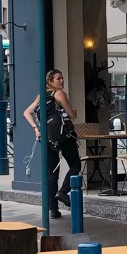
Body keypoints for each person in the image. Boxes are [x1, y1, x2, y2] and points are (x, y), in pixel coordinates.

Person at [24, 69, 80, 217]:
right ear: (50, 81)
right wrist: (74, 111)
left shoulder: (42, 96)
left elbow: (26, 112)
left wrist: (36, 128)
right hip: (64, 137)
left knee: (51, 174)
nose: (61, 81)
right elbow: (72, 115)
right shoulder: (59, 94)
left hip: (47, 138)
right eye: (58, 79)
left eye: (62, 78)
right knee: (75, 165)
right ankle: (63, 191)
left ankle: (53, 210)